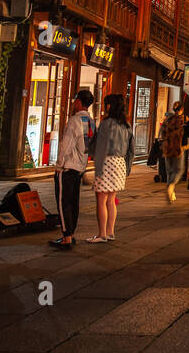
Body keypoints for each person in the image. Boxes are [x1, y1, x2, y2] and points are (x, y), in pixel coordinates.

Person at [50, 89, 96, 249]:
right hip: (80, 167)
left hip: (68, 166)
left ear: (78, 102)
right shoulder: (91, 121)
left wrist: (59, 165)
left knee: (63, 202)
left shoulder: (74, 121)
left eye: (74, 100)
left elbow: (66, 145)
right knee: (74, 201)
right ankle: (71, 232)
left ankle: (66, 236)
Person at [90, 93, 133, 242]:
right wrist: (127, 168)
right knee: (111, 200)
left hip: (106, 162)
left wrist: (98, 168)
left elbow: (100, 147)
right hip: (120, 163)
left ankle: (101, 234)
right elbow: (131, 150)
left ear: (109, 106)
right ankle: (110, 232)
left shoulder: (106, 123)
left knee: (101, 200)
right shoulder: (127, 125)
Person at [160, 101, 185, 203]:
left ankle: (171, 193)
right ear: (181, 110)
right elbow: (182, 134)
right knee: (179, 170)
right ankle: (171, 186)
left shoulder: (167, 120)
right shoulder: (181, 120)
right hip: (177, 147)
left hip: (167, 147)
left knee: (170, 171)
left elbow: (162, 132)